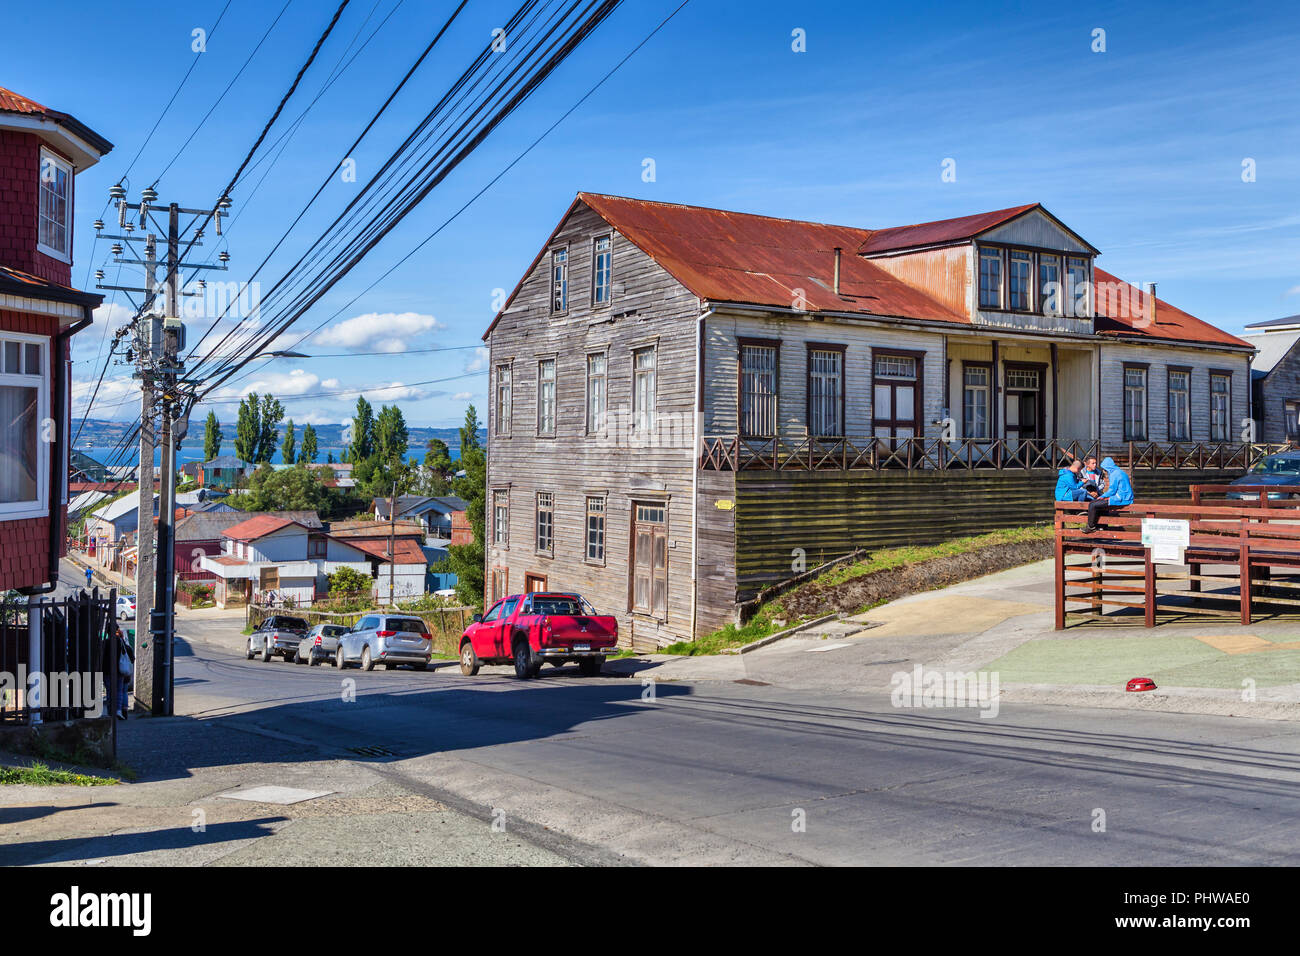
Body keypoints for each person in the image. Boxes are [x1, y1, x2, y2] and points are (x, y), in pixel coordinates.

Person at [1082, 456, 1135, 533]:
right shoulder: (1119, 472)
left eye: (1104, 469)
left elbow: (1112, 491)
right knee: (1096, 503)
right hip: (1124, 497)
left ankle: (1091, 527)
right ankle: (1102, 526)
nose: (1104, 471)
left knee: (1093, 504)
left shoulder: (1114, 474)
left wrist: (1102, 496)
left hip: (1121, 498)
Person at [114, 625, 133, 720]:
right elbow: (132, 659)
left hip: (115, 672)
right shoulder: (127, 647)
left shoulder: (110, 645)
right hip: (125, 672)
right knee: (123, 691)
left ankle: (116, 710)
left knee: (116, 691)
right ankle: (124, 710)